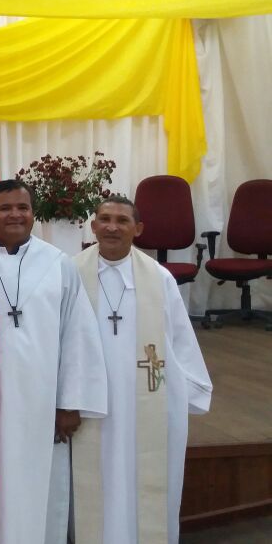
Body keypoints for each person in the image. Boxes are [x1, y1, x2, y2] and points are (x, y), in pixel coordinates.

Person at [0, 180, 107, 544]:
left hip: (41, 407)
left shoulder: (58, 264)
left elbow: (77, 334)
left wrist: (70, 403)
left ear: (33, 213)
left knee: (38, 492)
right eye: (6, 208)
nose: (16, 214)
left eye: (23, 208)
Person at [71, 196, 212, 544]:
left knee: (144, 479)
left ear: (138, 229)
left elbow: (179, 338)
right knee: (94, 483)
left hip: (145, 400)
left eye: (121, 220)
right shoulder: (72, 272)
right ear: (93, 226)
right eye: (104, 219)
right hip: (91, 403)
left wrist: (188, 390)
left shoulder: (159, 278)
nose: (112, 227)